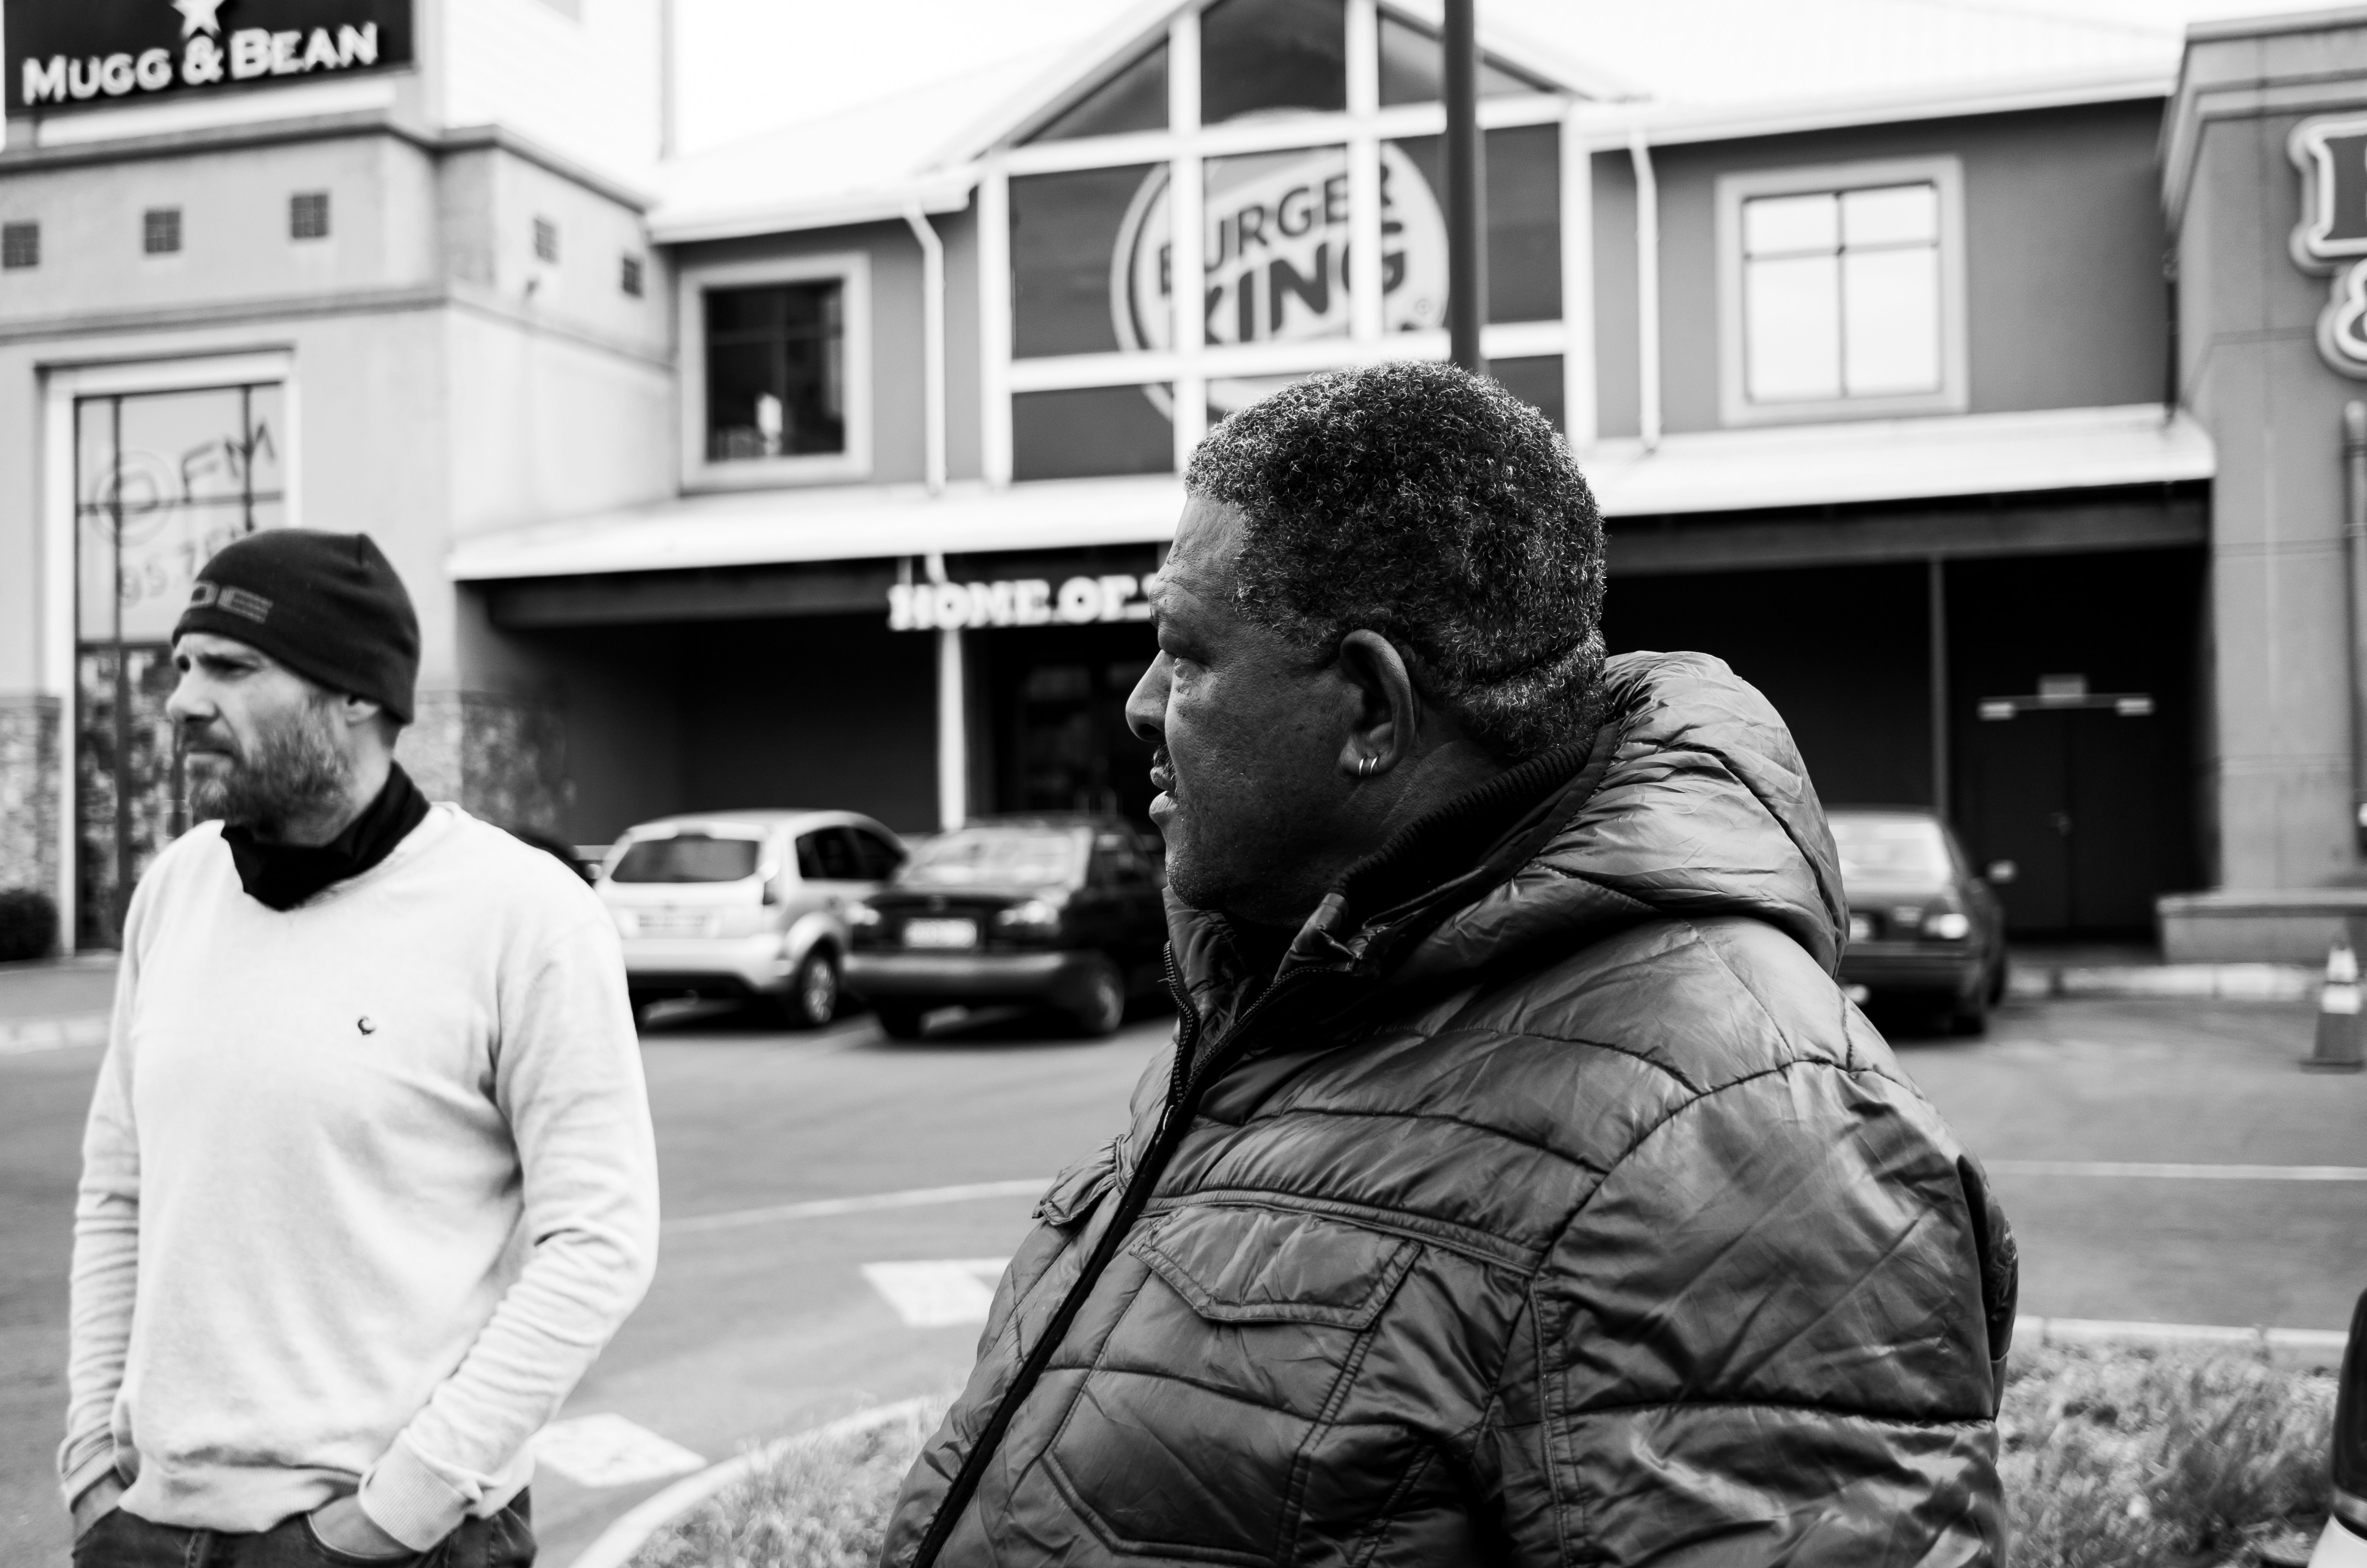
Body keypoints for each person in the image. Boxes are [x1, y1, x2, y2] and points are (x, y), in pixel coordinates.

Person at [883, 362, 2017, 1567]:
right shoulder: (1299, 988)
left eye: (1185, 652)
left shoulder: (1737, 1131)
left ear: (1372, 706)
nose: (1141, 702)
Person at [61, 531, 660, 1567]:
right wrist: (88, 1471)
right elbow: (119, 1186)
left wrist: (398, 1511)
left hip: (391, 1541)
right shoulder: (176, 889)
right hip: (147, 1529)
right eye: (183, 665)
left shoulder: (523, 914)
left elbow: (600, 1239)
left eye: (232, 668)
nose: (182, 702)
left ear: (358, 698)